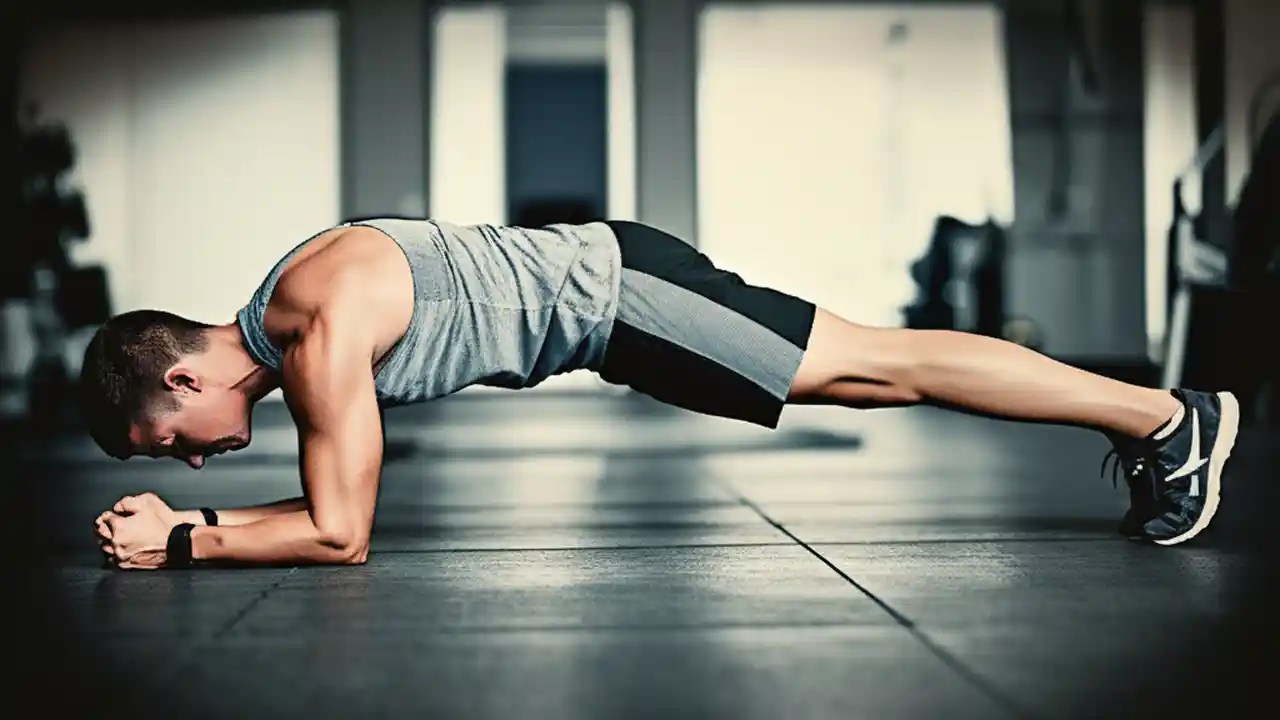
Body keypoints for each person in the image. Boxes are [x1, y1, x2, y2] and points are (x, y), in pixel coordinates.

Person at [83, 218, 1238, 569]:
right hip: (615, 309)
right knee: (878, 372)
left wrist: (187, 540)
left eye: (164, 440)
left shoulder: (312, 327)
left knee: (879, 367)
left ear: (181, 378)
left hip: (621, 299)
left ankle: (1163, 417)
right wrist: (200, 528)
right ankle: (1155, 418)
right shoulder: (293, 307)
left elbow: (341, 535)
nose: (189, 461)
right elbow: (328, 515)